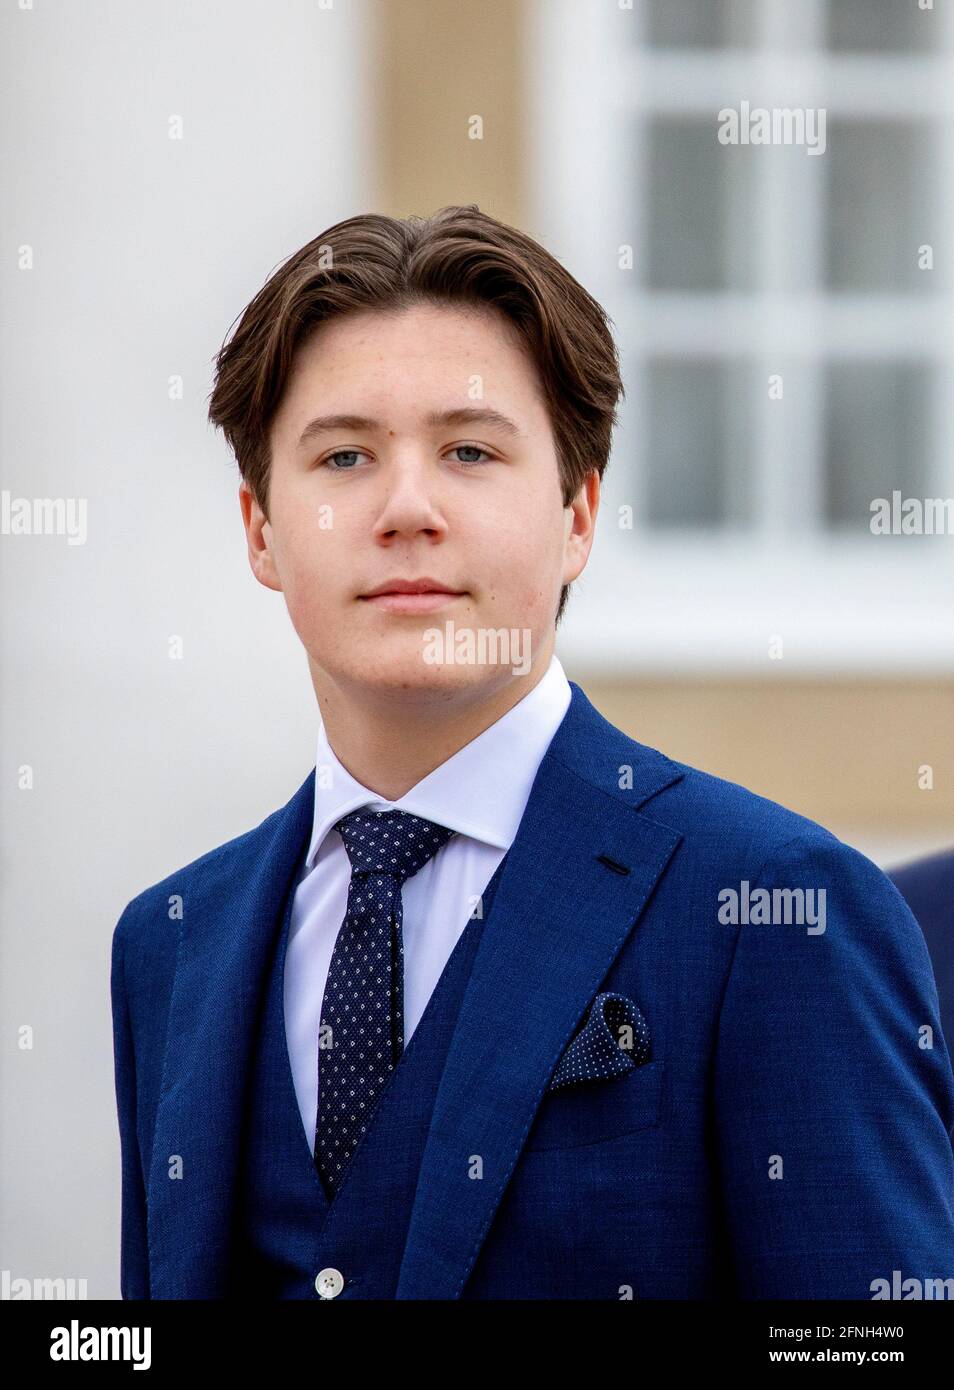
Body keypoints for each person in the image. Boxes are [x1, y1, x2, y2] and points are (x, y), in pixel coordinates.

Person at [110, 205, 954, 1300]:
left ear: (579, 515)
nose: (406, 507)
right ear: (261, 528)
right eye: (345, 454)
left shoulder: (774, 905)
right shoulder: (170, 945)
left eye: (469, 449)